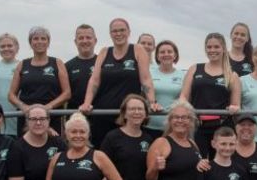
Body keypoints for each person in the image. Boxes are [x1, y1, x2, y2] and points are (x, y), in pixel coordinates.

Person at [80, 18, 159, 148]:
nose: (118, 34)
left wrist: (152, 102)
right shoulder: (105, 52)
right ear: (110, 34)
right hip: (102, 113)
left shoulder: (137, 50)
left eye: (122, 30)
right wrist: (87, 103)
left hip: (127, 115)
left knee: (125, 152)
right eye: (114, 31)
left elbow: (145, 79)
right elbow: (94, 81)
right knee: (101, 152)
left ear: (129, 32)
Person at [179, 32, 241, 158]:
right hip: (197, 126)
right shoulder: (195, 69)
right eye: (209, 47)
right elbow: (183, 96)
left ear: (223, 48)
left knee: (219, 165)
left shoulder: (232, 75)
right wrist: (185, 106)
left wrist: (234, 108)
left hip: (221, 127)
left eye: (216, 47)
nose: (212, 50)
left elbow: (236, 104)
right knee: (197, 163)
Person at [8, 26, 71, 134]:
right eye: (35, 38)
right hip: (28, 117)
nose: (39, 41)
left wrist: (48, 107)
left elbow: (67, 93)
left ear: (48, 42)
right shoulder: (22, 64)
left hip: (52, 116)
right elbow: (11, 95)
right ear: (30, 42)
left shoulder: (57, 63)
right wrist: (24, 107)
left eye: (43, 38)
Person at [146, 40, 184, 139]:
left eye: (169, 52)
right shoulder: (149, 73)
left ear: (175, 55)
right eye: (162, 52)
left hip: (172, 127)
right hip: (149, 125)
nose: (166, 54)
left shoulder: (183, 75)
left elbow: (184, 99)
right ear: (157, 56)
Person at [0, 33, 22, 136]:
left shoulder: (22, 65)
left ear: (17, 47)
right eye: (2, 46)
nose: (6, 49)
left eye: (10, 46)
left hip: (16, 117)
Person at [65, 24, 98, 110]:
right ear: (75, 42)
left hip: (100, 116)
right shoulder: (67, 66)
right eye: (81, 38)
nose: (85, 41)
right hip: (74, 116)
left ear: (95, 40)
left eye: (88, 37)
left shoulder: (103, 63)